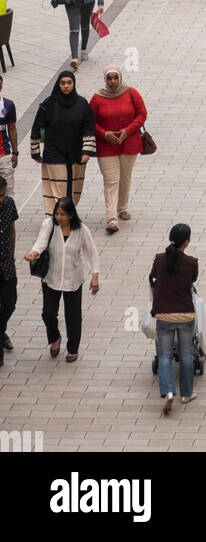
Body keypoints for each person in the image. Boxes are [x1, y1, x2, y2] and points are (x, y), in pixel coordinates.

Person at [24, 196, 99, 364]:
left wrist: (95, 275)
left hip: (73, 280)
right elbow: (41, 243)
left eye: (62, 214)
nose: (58, 217)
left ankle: (72, 349)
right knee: (48, 313)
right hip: (51, 278)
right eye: (56, 213)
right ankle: (55, 337)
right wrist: (33, 253)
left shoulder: (82, 230)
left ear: (71, 215)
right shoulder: (48, 225)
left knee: (73, 317)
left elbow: (91, 253)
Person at [88, 66, 146, 235]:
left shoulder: (131, 93)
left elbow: (142, 114)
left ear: (120, 78)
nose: (113, 82)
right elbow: (91, 122)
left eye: (115, 78)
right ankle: (111, 218)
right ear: (105, 80)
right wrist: (105, 134)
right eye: (109, 78)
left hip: (128, 144)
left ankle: (122, 207)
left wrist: (127, 131)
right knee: (111, 181)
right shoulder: (98, 98)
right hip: (106, 146)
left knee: (125, 177)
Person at [30, 70, 96, 212]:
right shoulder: (48, 104)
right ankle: (57, 218)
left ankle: (68, 216)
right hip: (54, 153)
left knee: (74, 189)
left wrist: (87, 151)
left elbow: (89, 128)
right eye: (63, 83)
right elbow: (36, 128)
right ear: (58, 84)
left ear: (74, 84)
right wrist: (35, 152)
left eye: (69, 83)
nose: (66, 86)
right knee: (59, 188)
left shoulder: (82, 104)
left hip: (76, 153)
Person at [150, 223, 199, 413]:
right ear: (187, 242)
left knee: (165, 355)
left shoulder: (160, 259)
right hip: (186, 314)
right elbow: (193, 280)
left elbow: (153, 275)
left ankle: (168, 391)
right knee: (186, 355)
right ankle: (186, 393)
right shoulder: (191, 262)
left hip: (164, 313)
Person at [0, 173, 16, 365]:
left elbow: (12, 229)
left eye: (3, 195)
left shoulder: (9, 204)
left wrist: (11, 254)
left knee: (10, 301)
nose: (2, 199)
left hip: (7, 263)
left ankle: (1, 328)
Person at [0, 75, 18, 200]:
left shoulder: (8, 105)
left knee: (8, 194)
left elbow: (12, 129)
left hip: (4, 155)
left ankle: (8, 219)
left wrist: (15, 153)